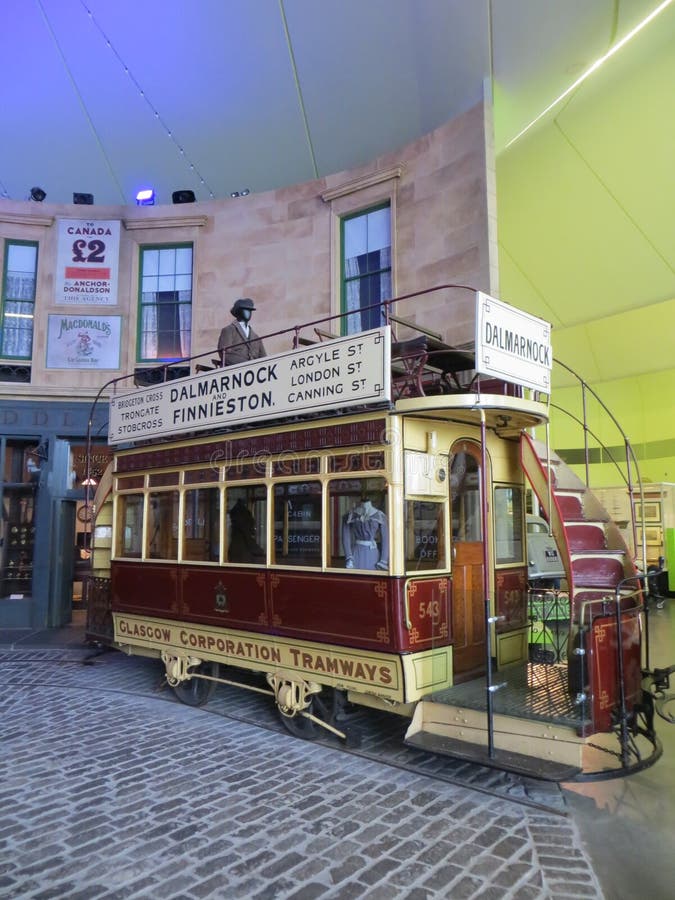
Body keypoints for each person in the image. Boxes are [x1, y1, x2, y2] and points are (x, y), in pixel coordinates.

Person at [342, 496, 388, 571]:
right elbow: (345, 538)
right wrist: (349, 557)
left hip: (373, 554)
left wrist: (383, 560)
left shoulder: (380, 516)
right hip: (357, 553)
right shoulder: (350, 515)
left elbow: (386, 539)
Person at [218, 298, 266, 366]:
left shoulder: (256, 337)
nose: (248, 313)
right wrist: (247, 364)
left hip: (254, 372)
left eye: (250, 310)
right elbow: (225, 354)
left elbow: (264, 358)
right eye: (246, 310)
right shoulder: (229, 330)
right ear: (239, 311)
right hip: (235, 370)